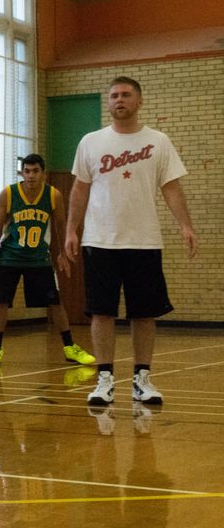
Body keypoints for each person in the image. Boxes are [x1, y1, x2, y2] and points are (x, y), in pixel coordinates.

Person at [64, 76, 198, 408]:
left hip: (144, 241)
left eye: (126, 95)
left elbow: (171, 187)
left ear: (139, 101)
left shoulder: (159, 141)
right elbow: (80, 190)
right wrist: (70, 230)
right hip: (100, 241)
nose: (119, 100)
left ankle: (142, 379)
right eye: (113, 96)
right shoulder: (91, 142)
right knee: (102, 312)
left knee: (144, 314)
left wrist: (185, 225)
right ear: (108, 103)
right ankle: (104, 379)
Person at [0, 153, 95, 373]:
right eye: (27, 171)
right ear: (22, 173)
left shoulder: (53, 195)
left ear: (43, 173)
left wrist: (62, 253)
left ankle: (70, 347)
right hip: (9, 257)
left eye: (35, 171)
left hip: (39, 258)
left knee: (55, 302)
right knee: (1, 303)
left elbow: (60, 225)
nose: (31, 176)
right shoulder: (9, 193)